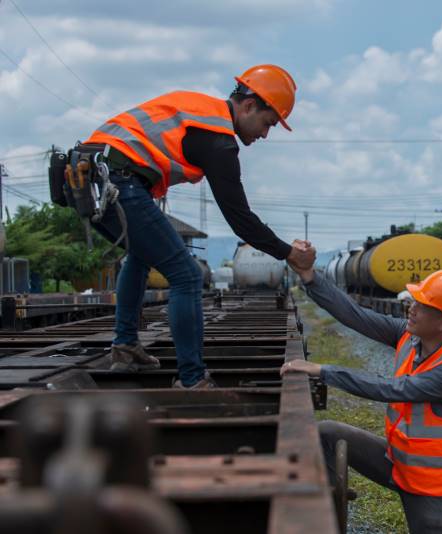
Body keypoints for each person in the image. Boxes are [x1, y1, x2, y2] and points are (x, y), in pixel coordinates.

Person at [74, 64, 315, 388]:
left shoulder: (200, 112)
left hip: (90, 178)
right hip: (116, 182)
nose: (264, 134)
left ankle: (126, 346)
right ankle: (191, 378)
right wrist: (288, 253)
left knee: (141, 256)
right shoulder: (218, 140)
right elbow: (240, 220)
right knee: (186, 274)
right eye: (267, 123)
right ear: (248, 106)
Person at [281, 265, 442, 534]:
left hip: (431, 488)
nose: (411, 308)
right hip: (397, 461)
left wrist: (323, 370)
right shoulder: (409, 337)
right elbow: (355, 316)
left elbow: (390, 388)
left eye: (422, 305)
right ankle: (326, 521)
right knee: (327, 433)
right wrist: (310, 277)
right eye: (414, 300)